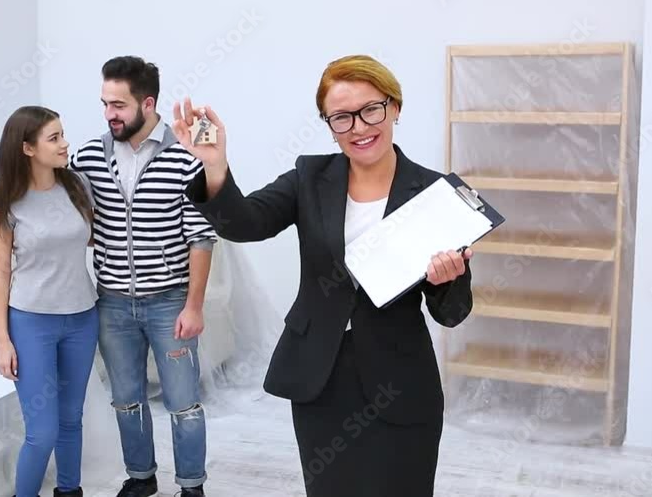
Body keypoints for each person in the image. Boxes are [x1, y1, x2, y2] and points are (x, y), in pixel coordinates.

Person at [172, 54, 475, 496]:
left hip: (401, 377)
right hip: (322, 374)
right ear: (329, 125)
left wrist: (448, 278)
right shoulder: (309, 177)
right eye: (341, 117)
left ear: (395, 107)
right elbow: (244, 224)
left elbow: (452, 313)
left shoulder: (434, 193)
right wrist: (215, 165)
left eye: (371, 110)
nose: (358, 127)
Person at [0, 57, 216, 497]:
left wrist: (194, 305)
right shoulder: (88, 158)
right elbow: (41, 199)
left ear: (147, 104)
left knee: (183, 403)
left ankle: (191, 486)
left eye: (118, 105)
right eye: (105, 103)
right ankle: (141, 478)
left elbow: (201, 237)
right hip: (110, 303)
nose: (109, 113)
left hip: (168, 301)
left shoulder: (187, 155)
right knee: (125, 401)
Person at [0, 106, 100, 497]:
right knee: (42, 431)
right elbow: (0, 272)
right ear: (27, 148)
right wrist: (2, 339)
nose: (65, 144)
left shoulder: (77, 185)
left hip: (83, 317)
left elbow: (91, 236)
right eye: (54, 138)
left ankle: (69, 491)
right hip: (31, 323)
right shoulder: (3, 200)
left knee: (71, 420)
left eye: (62, 134)